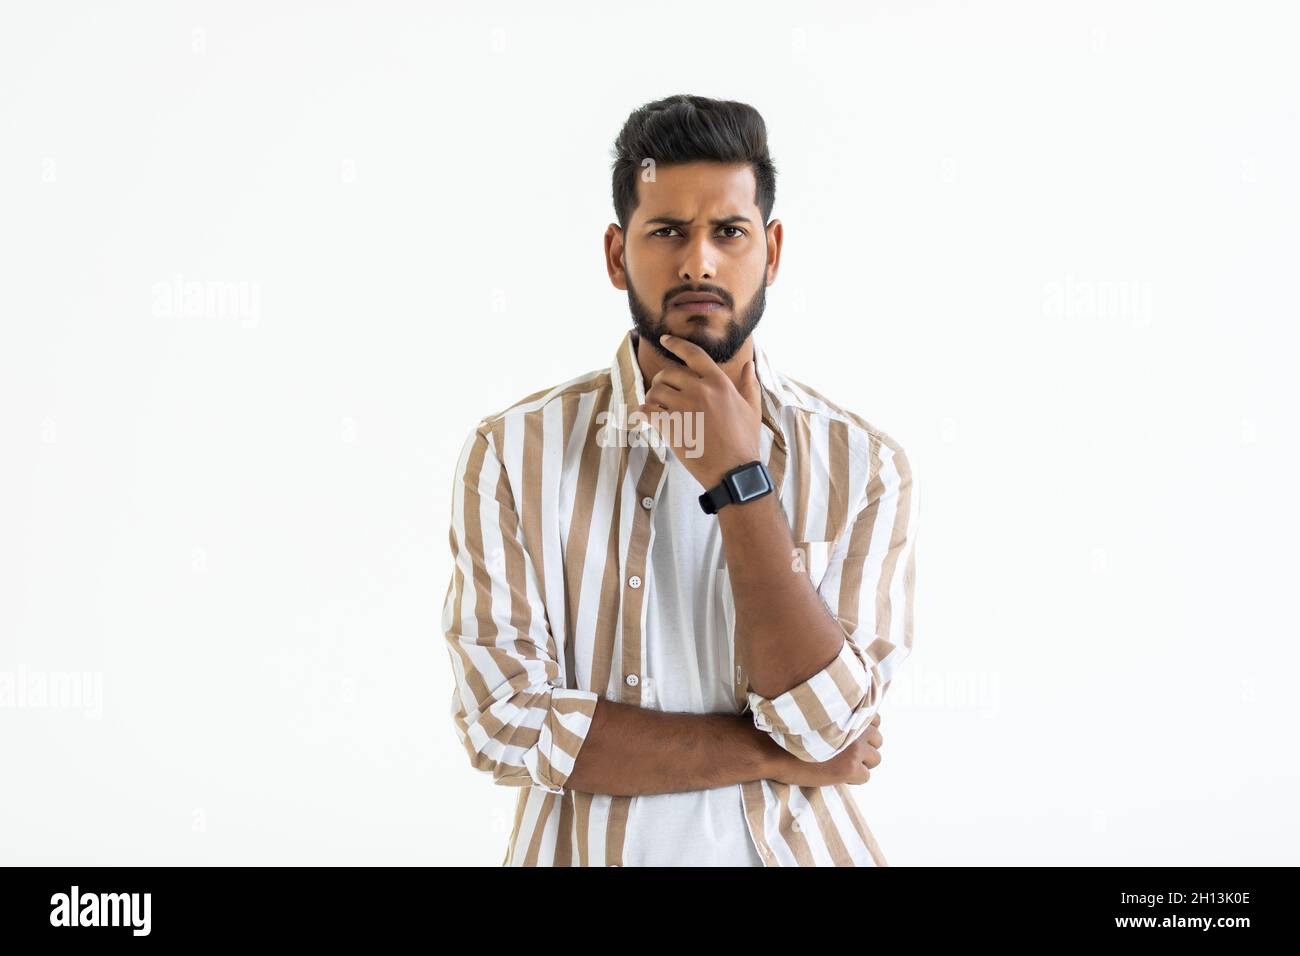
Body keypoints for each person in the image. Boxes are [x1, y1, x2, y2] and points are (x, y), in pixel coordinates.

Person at [441, 93, 919, 866]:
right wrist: (772, 754)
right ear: (616, 254)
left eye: (728, 232)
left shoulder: (862, 465)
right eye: (667, 231)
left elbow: (828, 729)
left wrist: (738, 478)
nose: (699, 260)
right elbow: (503, 723)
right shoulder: (513, 453)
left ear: (772, 250)